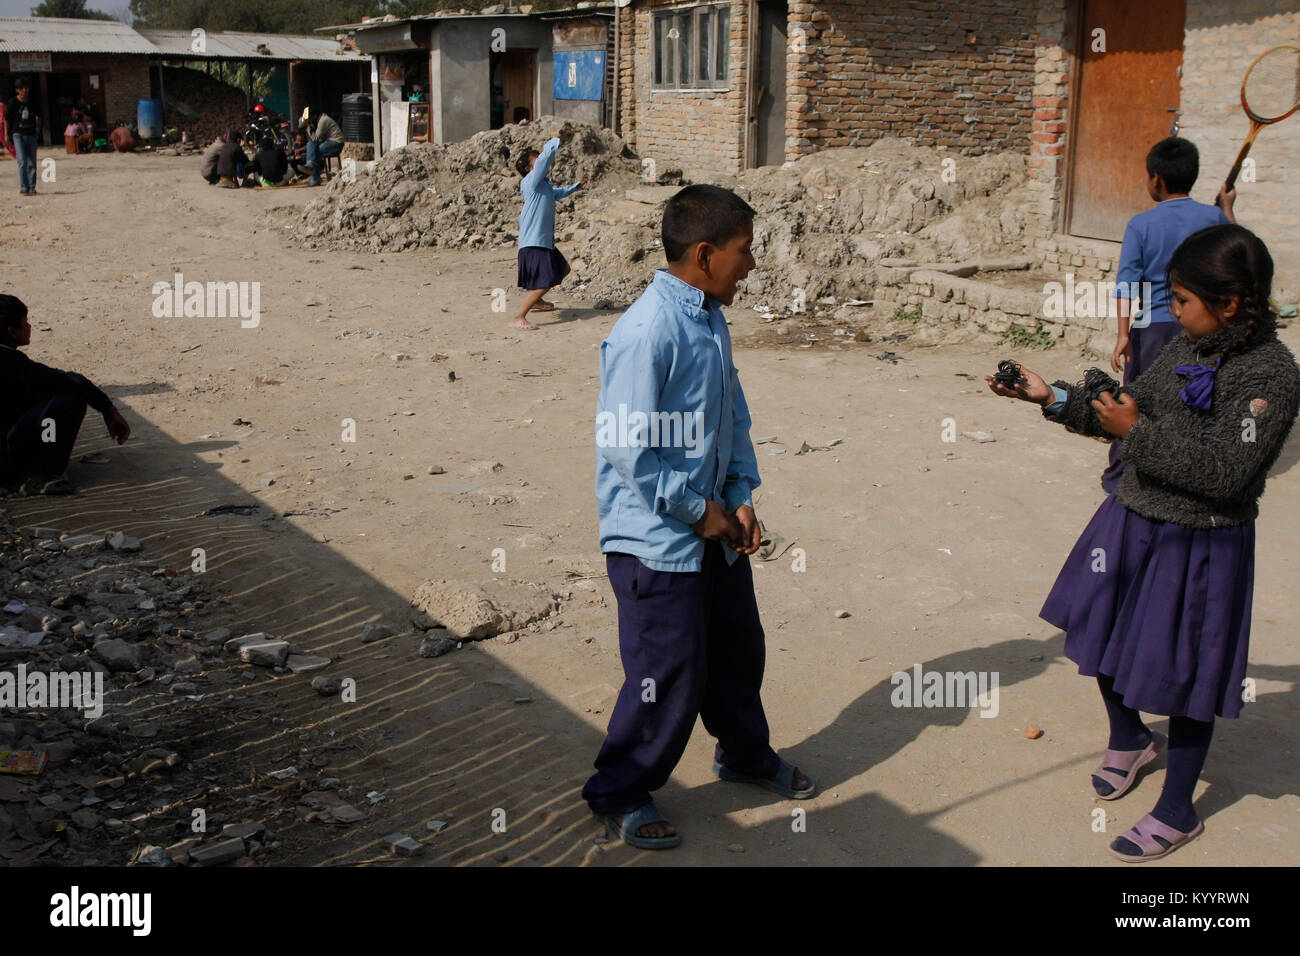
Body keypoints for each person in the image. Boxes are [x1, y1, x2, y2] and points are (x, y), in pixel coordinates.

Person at [988, 224, 1300, 862]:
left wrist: (1138, 431)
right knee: (1097, 632)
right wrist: (1052, 399)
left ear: (1230, 303)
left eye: (1183, 300)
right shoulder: (1189, 343)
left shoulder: (1272, 375)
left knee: (1186, 675)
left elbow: (1227, 473)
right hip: (1132, 520)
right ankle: (1129, 737)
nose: (1175, 312)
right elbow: (1126, 407)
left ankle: (1178, 808)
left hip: (1202, 544)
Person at [583, 184, 816, 850]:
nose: (752, 265)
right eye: (744, 252)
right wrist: (697, 511)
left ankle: (743, 752)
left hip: (711, 528)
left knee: (738, 650)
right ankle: (619, 787)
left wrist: (740, 493)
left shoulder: (710, 316)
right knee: (668, 674)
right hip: (658, 541)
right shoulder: (646, 331)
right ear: (707, 253)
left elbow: (731, 414)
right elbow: (627, 447)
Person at [1102, 137, 1236, 492]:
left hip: (1155, 327)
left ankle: (1122, 475)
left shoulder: (1141, 225)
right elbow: (1237, 251)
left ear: (1156, 180)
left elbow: (1126, 284)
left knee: (1137, 399)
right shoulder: (1214, 217)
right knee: (1198, 399)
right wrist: (1227, 207)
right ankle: (1192, 471)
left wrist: (1123, 335)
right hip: (1206, 329)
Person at [0, 294, 131, 495]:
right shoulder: (13, 363)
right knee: (68, 403)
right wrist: (109, 410)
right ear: (11, 331)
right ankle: (42, 474)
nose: (29, 327)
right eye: (24, 322)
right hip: (6, 459)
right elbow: (74, 382)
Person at [511, 128, 586, 330]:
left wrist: (577, 186)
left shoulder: (543, 186)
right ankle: (519, 316)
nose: (540, 160)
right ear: (528, 168)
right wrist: (555, 139)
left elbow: (557, 193)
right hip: (534, 240)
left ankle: (536, 300)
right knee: (546, 280)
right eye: (535, 158)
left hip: (544, 240)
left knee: (563, 269)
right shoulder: (530, 182)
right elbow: (545, 160)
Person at [4, 79, 41, 195]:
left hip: (31, 134)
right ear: (17, 90)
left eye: (26, 88)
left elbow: (39, 115)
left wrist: (38, 128)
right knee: (22, 160)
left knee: (32, 162)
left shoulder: (32, 102)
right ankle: (24, 187)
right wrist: (6, 134)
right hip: (18, 134)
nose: (25, 90)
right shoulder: (12, 103)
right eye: (22, 88)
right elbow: (7, 119)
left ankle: (32, 187)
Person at [304, 107, 344, 187]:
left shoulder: (323, 120)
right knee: (311, 148)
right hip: (330, 142)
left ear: (314, 115)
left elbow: (316, 139)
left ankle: (314, 176)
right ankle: (312, 170)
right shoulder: (320, 120)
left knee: (313, 152)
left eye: (310, 118)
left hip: (335, 143)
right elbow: (316, 139)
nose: (310, 120)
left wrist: (308, 127)